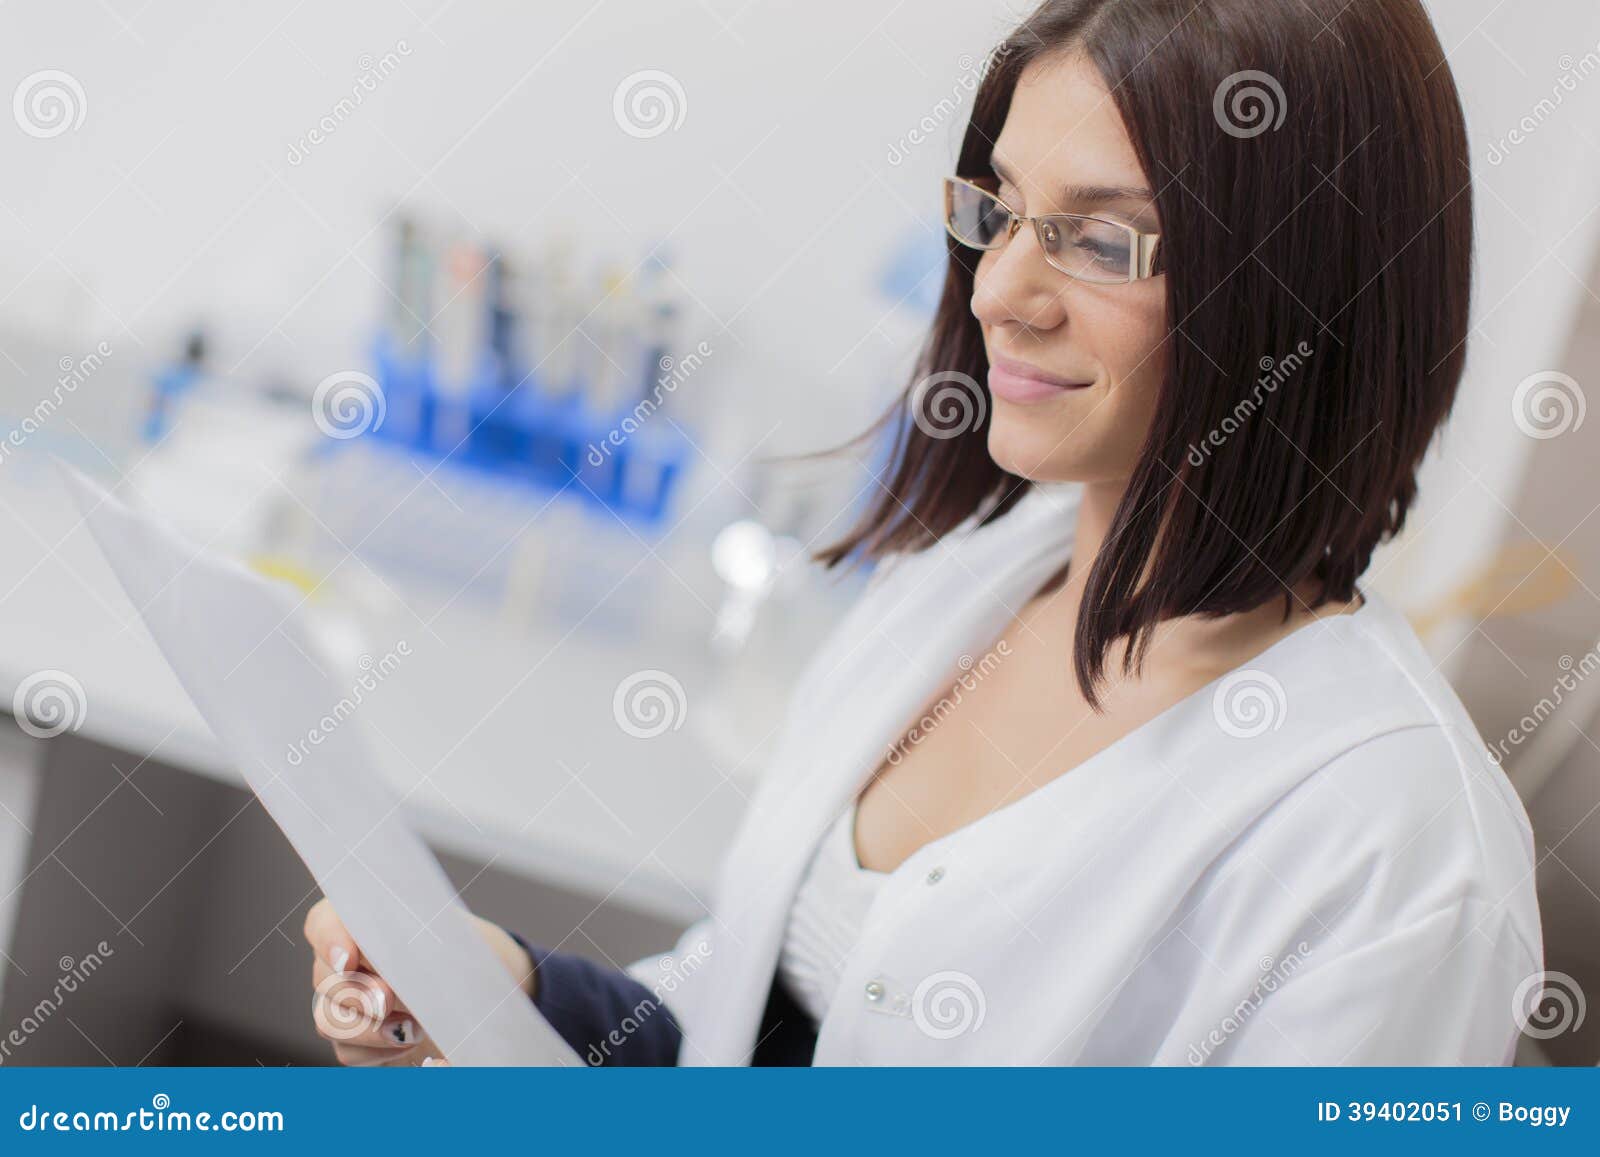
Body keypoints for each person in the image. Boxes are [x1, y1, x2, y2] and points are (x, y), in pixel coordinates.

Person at [304, 0, 1542, 1066]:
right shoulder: (960, 586)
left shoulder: (1397, 855)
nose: (999, 287)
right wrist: (508, 999)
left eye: (1102, 240)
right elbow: (756, 1020)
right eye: (999, 209)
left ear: (1305, 296)